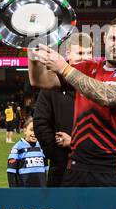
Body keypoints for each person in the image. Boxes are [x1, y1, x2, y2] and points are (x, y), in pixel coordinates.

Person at [28, 16, 116, 187]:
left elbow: (109, 96)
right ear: (104, 39)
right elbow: (40, 81)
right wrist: (34, 54)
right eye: (113, 38)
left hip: (110, 168)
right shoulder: (88, 67)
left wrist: (65, 68)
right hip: (76, 165)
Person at [33, 32, 92, 186]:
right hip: (62, 168)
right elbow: (40, 123)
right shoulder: (53, 84)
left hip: (94, 168)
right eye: (79, 53)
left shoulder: (99, 84)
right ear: (67, 54)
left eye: (89, 53)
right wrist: (57, 154)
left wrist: (75, 144)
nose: (84, 57)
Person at [6, 120, 47, 188]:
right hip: (24, 190)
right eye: (31, 130)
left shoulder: (42, 147)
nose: (34, 133)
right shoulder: (17, 148)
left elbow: (45, 170)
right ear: (25, 130)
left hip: (41, 190)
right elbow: (11, 172)